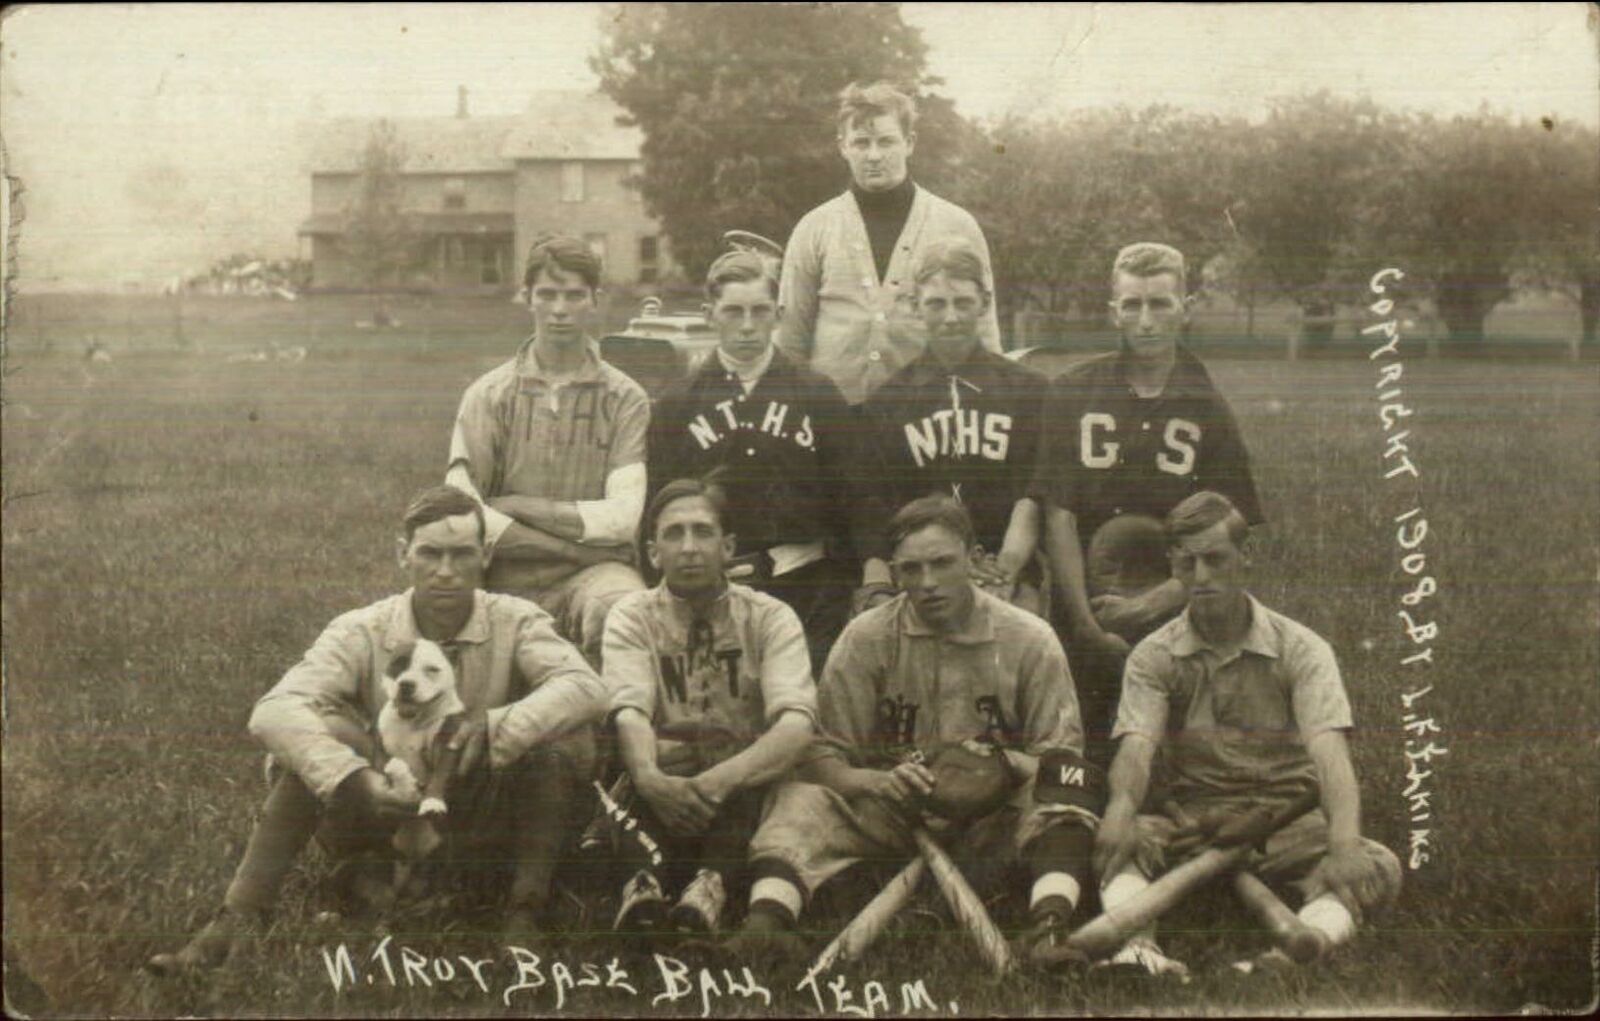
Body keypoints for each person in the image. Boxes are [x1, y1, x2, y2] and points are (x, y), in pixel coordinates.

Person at [146, 485, 608, 974]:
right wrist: (353, 778)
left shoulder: (513, 619)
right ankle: (236, 918)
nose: (446, 572)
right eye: (430, 554)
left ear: (485, 556)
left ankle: (524, 914)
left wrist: (496, 727)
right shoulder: (362, 629)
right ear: (402, 555)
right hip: (378, 811)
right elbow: (275, 709)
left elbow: (587, 687)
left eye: (462, 555)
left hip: (476, 810)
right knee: (317, 734)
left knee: (564, 738)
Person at [723, 496, 1100, 968]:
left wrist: (1002, 766)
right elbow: (823, 753)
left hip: (992, 820)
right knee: (798, 798)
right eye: (911, 569)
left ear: (976, 560)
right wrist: (874, 782)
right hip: (891, 814)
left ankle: (1048, 929)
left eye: (942, 564)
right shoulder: (867, 636)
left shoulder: (1029, 638)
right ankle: (766, 927)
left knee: (1065, 798)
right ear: (896, 573)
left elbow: (1061, 760)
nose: (928, 583)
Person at [1092, 491, 1400, 975]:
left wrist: (1343, 846)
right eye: (1188, 563)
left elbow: (1331, 758)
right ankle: (1139, 954)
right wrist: (1120, 810)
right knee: (1121, 844)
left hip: (1285, 819)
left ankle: (1292, 955)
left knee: (1376, 864)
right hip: (1189, 821)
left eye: (1216, 560)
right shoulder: (1153, 656)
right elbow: (1137, 749)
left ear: (1245, 557)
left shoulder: (1301, 649)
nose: (1202, 577)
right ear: (1173, 565)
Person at [1033, 242, 1264, 758]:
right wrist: (1085, 625)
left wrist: (1154, 603)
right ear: (1113, 310)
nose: (1146, 320)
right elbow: (1059, 515)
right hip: (1084, 601)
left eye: (1159, 304)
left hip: (1179, 601)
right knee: (1076, 745)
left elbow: (1229, 527)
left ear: (1185, 307)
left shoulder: (1206, 406)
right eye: (1132, 305)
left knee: (1181, 749)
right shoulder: (1072, 392)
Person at [602, 477, 818, 939]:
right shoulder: (631, 615)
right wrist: (651, 778)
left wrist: (716, 783)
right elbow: (629, 710)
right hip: (664, 780)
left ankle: (708, 892)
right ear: (653, 552)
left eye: (702, 532)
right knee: (632, 788)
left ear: (728, 546)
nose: (689, 547)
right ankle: (643, 894)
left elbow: (796, 725)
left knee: (755, 792)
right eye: (673, 534)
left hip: (741, 782)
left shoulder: (770, 617)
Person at [447, 234, 650, 666]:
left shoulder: (626, 397)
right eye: (548, 294)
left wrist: (515, 504)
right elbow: (467, 516)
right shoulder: (487, 395)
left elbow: (620, 519)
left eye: (575, 295)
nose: (560, 309)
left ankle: (614, 726)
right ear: (526, 297)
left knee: (625, 608)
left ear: (596, 299)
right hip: (501, 572)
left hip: (596, 573)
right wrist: (574, 547)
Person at [647, 249, 856, 670]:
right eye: (733, 311)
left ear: (778, 314)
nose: (747, 326)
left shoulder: (817, 394)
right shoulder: (677, 403)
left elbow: (853, 499)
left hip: (806, 586)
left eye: (760, 311)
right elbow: (655, 509)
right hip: (705, 588)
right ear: (710, 314)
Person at [850, 238, 1050, 619]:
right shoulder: (887, 401)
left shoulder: (1029, 390)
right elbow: (876, 502)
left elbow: (1033, 490)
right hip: (919, 572)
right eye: (936, 304)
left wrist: (1006, 565)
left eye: (963, 302)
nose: (951, 317)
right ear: (915, 307)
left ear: (985, 303)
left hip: (1005, 566)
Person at [777, 81, 1000, 405]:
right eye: (861, 143)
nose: (874, 155)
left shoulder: (957, 225)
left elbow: (985, 334)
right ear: (843, 146)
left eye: (886, 141)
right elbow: (790, 343)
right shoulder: (814, 228)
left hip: (927, 420)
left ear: (909, 143)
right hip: (834, 423)